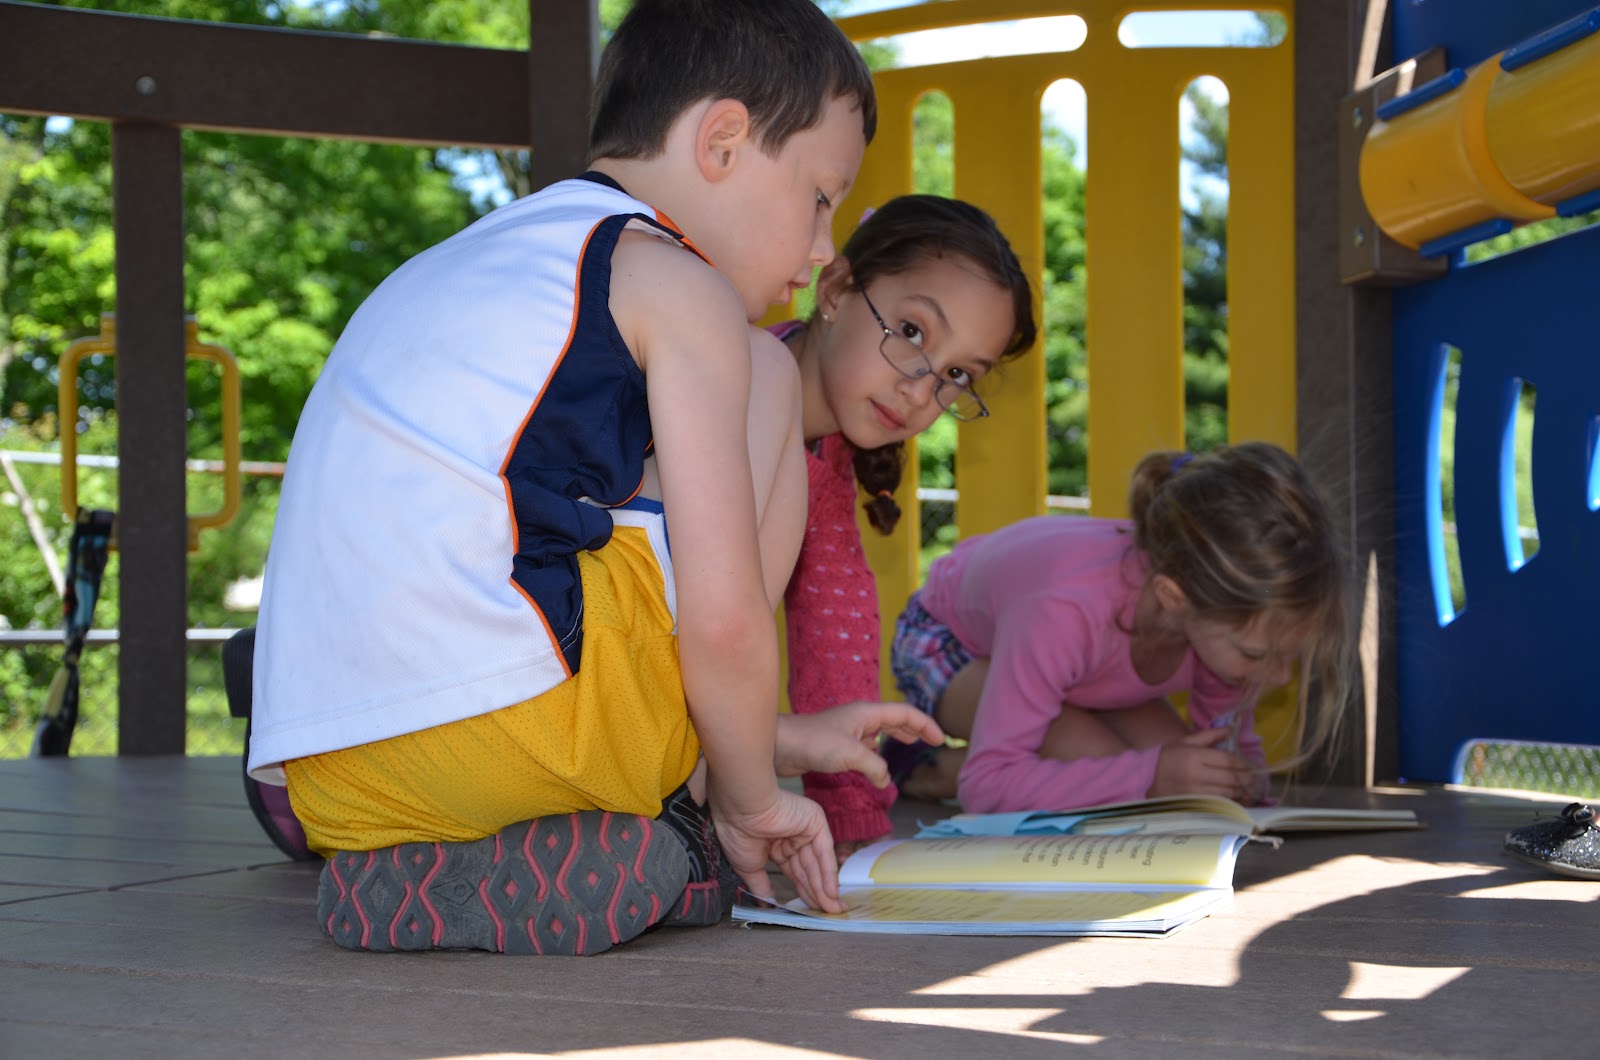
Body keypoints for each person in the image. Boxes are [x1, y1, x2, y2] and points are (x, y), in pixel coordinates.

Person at [244, 0, 929, 956]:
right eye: (820, 196)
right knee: (769, 367)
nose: (822, 251)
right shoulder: (673, 283)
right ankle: (691, 811)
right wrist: (752, 799)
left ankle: (451, 872)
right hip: (519, 731)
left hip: (330, 777)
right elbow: (724, 618)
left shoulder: (475, 259)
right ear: (724, 140)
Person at [770, 195, 1036, 858]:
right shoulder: (741, 382)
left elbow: (836, 631)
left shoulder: (824, 461)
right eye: (913, 331)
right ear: (834, 289)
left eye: (955, 375)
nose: (923, 390)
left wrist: (853, 820)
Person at [888, 442, 1356, 814]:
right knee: (1115, 767)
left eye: (1287, 656)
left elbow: (1228, 742)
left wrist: (1244, 784)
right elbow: (987, 788)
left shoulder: (1222, 617)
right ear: (1175, 598)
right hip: (947, 641)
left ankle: (1037, 742)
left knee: (1191, 778)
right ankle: (928, 768)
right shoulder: (1064, 608)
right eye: (1257, 655)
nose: (1278, 677)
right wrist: (1151, 778)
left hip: (1076, 669)